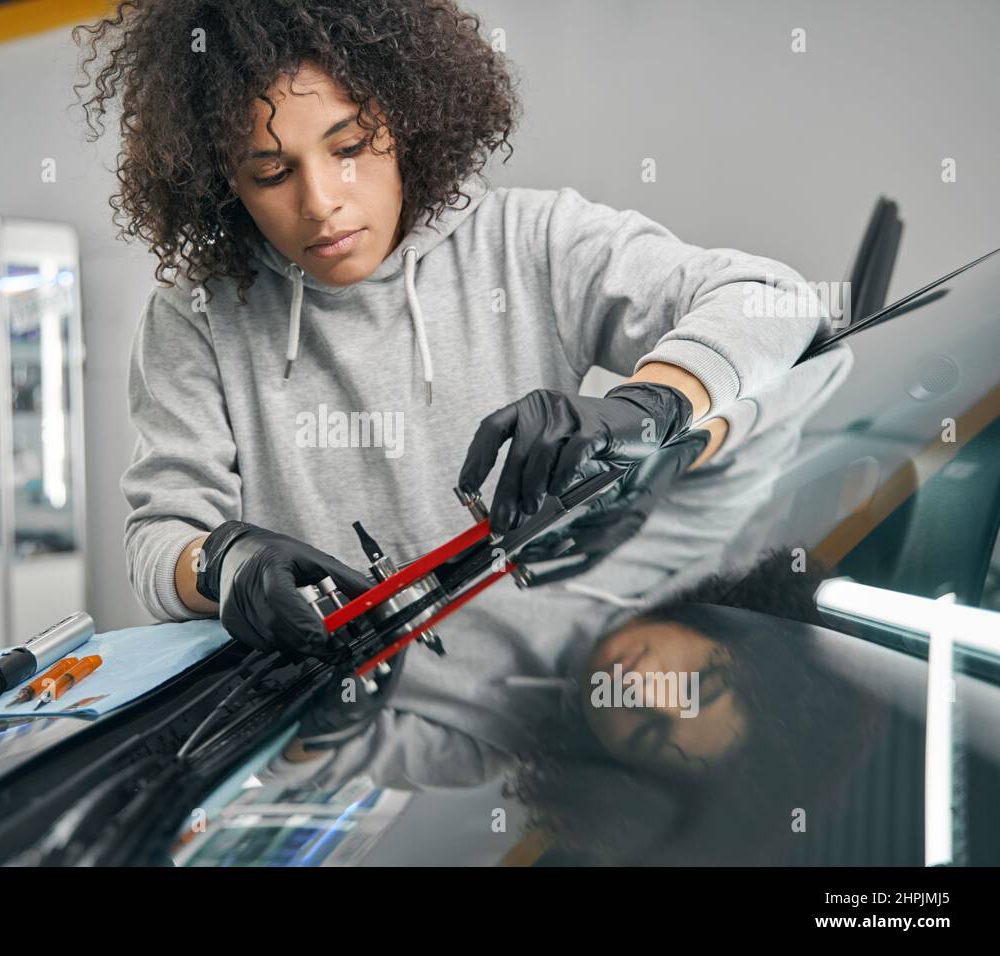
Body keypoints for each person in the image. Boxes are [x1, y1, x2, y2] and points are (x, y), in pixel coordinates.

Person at [76, 0, 830, 657]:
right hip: (328, 729)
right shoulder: (195, 316)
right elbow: (159, 541)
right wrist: (222, 565)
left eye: (350, 147)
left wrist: (651, 405)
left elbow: (774, 302)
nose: (321, 201)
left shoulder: (531, 242)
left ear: (406, 118)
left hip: (530, 711)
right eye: (271, 173)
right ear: (221, 183)